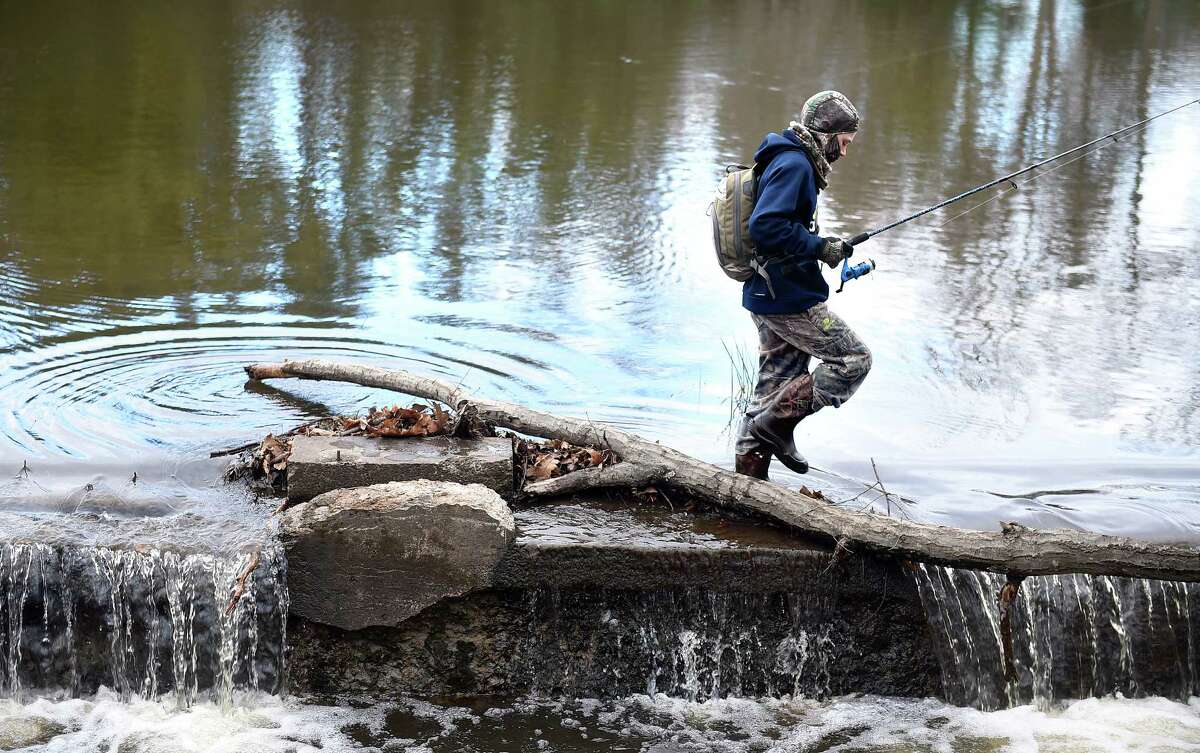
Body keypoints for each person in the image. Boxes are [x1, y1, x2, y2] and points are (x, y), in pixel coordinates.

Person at [734, 90, 872, 479]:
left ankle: (747, 486)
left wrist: (823, 247)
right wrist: (818, 247)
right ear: (827, 134)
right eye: (843, 143)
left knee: (772, 388)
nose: (844, 153)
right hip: (788, 299)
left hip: (769, 293)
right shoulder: (795, 163)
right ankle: (775, 426)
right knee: (854, 360)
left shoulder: (788, 157)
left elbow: (781, 227)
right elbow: (766, 226)